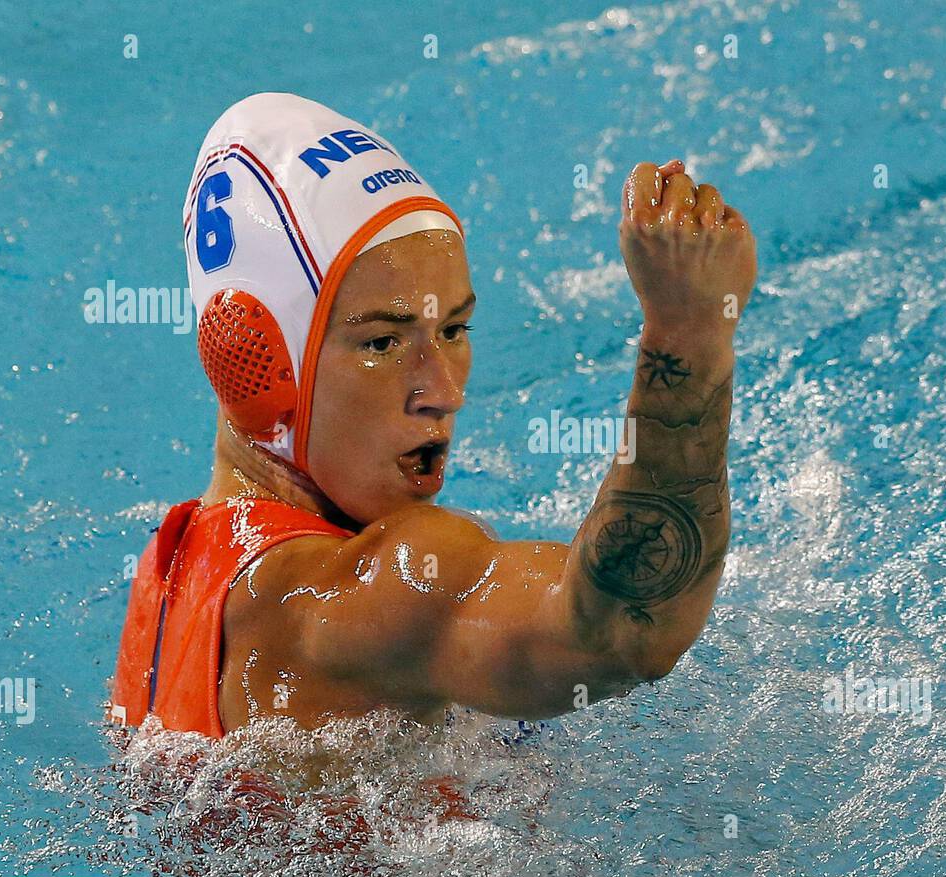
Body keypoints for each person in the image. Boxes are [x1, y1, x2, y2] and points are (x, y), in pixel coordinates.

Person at [111, 92, 756, 737]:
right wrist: (688, 332)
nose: (444, 390)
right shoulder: (352, 599)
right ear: (257, 367)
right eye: (384, 342)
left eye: (453, 329)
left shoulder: (175, 568)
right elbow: (621, 634)